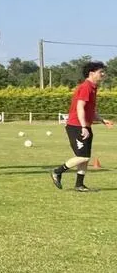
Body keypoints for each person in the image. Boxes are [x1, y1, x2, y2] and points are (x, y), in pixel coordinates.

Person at [51, 62, 111, 192]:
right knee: (83, 157)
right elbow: (80, 107)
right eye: (101, 72)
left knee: (85, 158)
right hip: (76, 126)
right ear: (92, 73)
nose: (103, 74)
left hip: (84, 126)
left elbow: (90, 110)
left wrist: (101, 120)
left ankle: (79, 185)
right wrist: (84, 127)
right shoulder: (86, 87)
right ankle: (57, 171)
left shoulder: (93, 87)